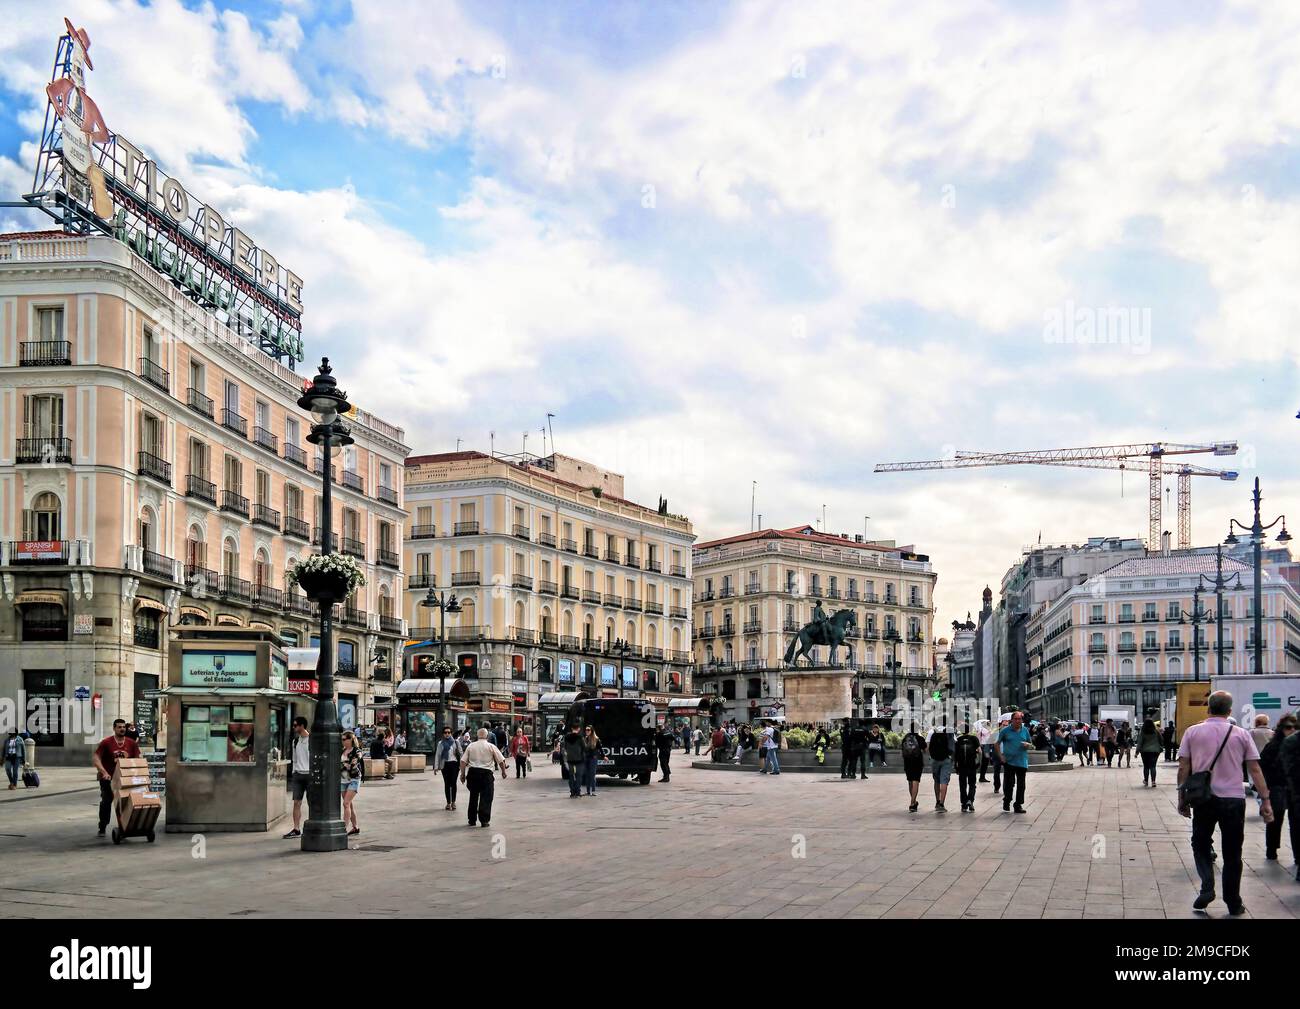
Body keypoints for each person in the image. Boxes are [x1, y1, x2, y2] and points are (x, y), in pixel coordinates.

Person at [1177, 690, 1273, 914]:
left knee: (1200, 843)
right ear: (1229, 711)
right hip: (1233, 799)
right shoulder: (1241, 734)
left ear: (1208, 708)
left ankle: (1207, 887)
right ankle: (1233, 901)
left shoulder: (1192, 732)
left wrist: (1182, 798)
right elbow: (1254, 769)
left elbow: (1183, 768)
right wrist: (1265, 800)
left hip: (1203, 799)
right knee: (1232, 853)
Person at [92, 718, 142, 836]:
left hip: (125, 779)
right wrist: (103, 772)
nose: (122, 729)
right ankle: (102, 826)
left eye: (124, 727)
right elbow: (96, 758)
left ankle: (124, 826)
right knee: (106, 801)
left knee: (125, 802)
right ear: (114, 728)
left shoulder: (131, 743)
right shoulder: (106, 742)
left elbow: (138, 759)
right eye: (119, 727)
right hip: (108, 779)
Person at [1258, 714, 1297, 865]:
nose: (1292, 730)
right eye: (1288, 727)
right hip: (1278, 786)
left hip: (1293, 787)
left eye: (1295, 727)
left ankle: (1297, 856)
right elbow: (1263, 765)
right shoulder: (1274, 746)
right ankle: (1271, 849)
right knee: (1275, 819)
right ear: (1282, 729)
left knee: (1295, 822)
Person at [460, 727, 508, 827]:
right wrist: (503, 772)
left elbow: (463, 761)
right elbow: (501, 761)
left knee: (473, 796)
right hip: (486, 774)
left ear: (477, 735)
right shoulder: (491, 746)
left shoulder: (471, 746)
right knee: (486, 797)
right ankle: (484, 820)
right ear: (487, 736)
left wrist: (463, 774)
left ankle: (472, 820)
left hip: (473, 773)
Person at [996, 711, 1031, 813]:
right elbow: (996, 743)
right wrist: (1000, 756)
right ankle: (1007, 800)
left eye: (1019, 719)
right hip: (1009, 761)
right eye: (1015, 719)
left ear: (1021, 720)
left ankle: (1018, 805)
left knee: (1021, 785)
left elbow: (1030, 743)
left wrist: (1027, 745)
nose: (1017, 721)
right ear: (1011, 720)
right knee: (1009, 784)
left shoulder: (1025, 730)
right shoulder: (1005, 730)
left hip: (1022, 761)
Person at [282, 717, 311, 838]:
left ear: (302, 726)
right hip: (298, 774)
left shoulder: (312, 740)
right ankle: (296, 828)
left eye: (295, 725)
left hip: (310, 774)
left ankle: (311, 826)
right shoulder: (295, 741)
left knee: (312, 803)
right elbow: (295, 758)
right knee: (296, 802)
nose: (294, 728)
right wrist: (294, 771)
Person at [1282, 718, 1300, 883]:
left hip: (1295, 793)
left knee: (1296, 827)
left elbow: (1286, 768)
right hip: (1295, 793)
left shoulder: (1290, 742)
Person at [434, 725, 464, 810]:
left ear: (451, 733)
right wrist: (436, 767)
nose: (447, 734)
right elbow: (438, 755)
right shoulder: (440, 743)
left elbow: (461, 753)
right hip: (445, 765)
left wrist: (462, 766)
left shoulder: (456, 742)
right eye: (445, 732)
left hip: (454, 764)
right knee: (447, 784)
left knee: (453, 783)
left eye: (449, 732)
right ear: (443, 734)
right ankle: (448, 803)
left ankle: (453, 802)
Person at [928, 720, 954, 811]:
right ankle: (942, 804)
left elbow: (928, 746)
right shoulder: (949, 731)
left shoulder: (932, 732)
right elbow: (953, 746)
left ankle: (937, 801)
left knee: (936, 781)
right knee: (944, 781)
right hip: (946, 759)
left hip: (935, 759)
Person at [954, 722, 981, 812]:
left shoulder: (958, 740)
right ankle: (970, 800)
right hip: (972, 765)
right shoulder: (974, 739)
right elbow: (979, 751)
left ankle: (964, 804)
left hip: (962, 766)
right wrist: (978, 762)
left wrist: (956, 766)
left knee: (963, 785)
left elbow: (956, 755)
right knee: (972, 784)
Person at [340, 730, 362, 836]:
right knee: (349, 805)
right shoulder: (342, 751)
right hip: (343, 780)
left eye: (344, 739)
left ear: (350, 739)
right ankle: (355, 827)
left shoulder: (357, 751)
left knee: (346, 803)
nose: (343, 741)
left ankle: (343, 828)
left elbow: (353, 764)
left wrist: (343, 765)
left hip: (353, 779)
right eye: (342, 739)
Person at [900, 722, 926, 813]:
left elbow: (902, 750)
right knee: (916, 781)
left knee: (910, 782)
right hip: (917, 762)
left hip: (907, 762)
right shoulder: (920, 738)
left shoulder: (905, 738)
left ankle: (914, 801)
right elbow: (925, 750)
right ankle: (912, 803)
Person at [1137, 718, 1163, 787]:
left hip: (1145, 751)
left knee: (1146, 767)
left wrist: (1137, 751)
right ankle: (1153, 781)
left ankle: (1146, 781)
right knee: (1153, 766)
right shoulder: (1156, 731)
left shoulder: (1143, 731)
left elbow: (1140, 742)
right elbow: (1161, 740)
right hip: (1155, 751)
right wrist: (1161, 747)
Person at [563, 723, 586, 797]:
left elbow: (565, 747)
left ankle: (572, 792)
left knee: (571, 776)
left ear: (572, 729)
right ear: (578, 729)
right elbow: (584, 747)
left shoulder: (566, 737)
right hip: (579, 759)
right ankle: (578, 792)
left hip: (570, 759)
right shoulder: (580, 737)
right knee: (579, 776)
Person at [582, 724, 602, 795]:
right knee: (587, 775)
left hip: (593, 759)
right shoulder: (585, 738)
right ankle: (588, 791)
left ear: (592, 731)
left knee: (592, 774)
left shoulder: (596, 739)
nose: (587, 731)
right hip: (586, 758)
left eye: (588, 730)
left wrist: (604, 756)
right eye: (586, 730)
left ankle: (593, 791)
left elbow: (600, 748)